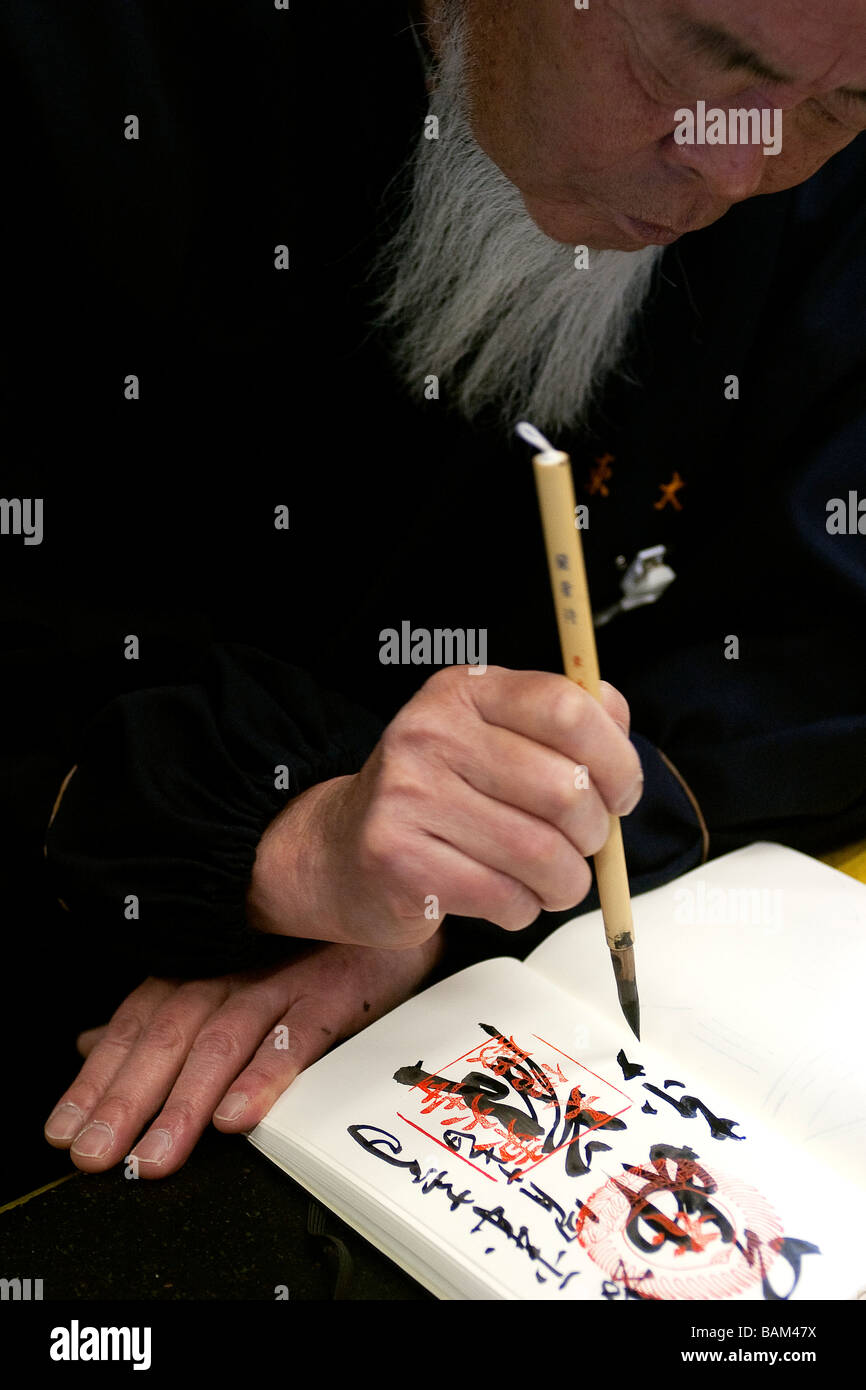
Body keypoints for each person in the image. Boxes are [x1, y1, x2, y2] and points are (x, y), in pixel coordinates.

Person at [4, 0, 862, 1181]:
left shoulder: (818, 182)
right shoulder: (85, 73)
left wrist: (469, 872)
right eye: (699, 60)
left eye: (833, 107)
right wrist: (278, 840)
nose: (729, 165)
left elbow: (829, 634)